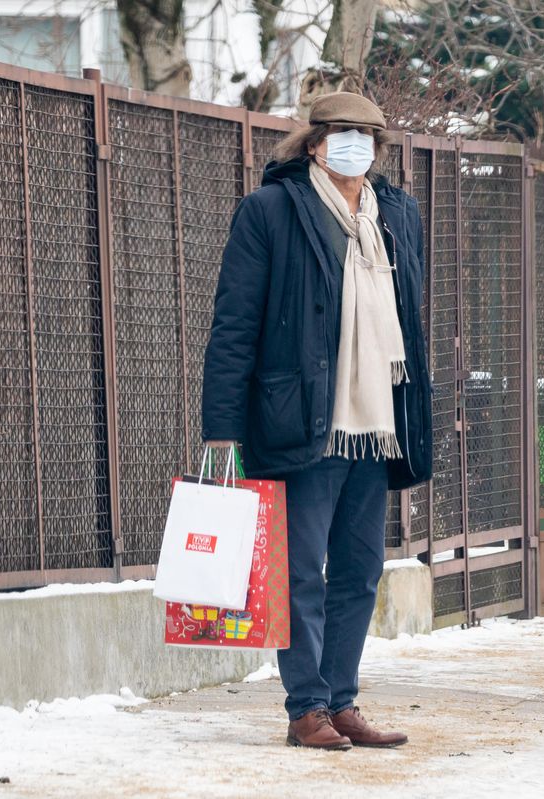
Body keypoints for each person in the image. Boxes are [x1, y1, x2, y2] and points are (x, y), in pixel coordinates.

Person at [201, 92, 433, 751]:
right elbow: (234, 324)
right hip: (300, 419)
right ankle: (307, 707)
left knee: (360, 570)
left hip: (375, 422)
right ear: (313, 143)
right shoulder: (270, 211)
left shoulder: (396, 215)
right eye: (341, 133)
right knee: (301, 570)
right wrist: (222, 426)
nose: (354, 145)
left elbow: (409, 322)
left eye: (366, 135)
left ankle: (341, 698)